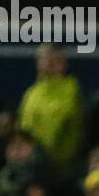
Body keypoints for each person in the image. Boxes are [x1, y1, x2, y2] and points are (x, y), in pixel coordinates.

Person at [18, 44, 84, 174]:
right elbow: (22, 126)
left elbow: (76, 130)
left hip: (58, 168)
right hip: (28, 166)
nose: (50, 63)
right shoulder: (31, 92)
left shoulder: (72, 91)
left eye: (55, 60)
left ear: (64, 63)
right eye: (45, 59)